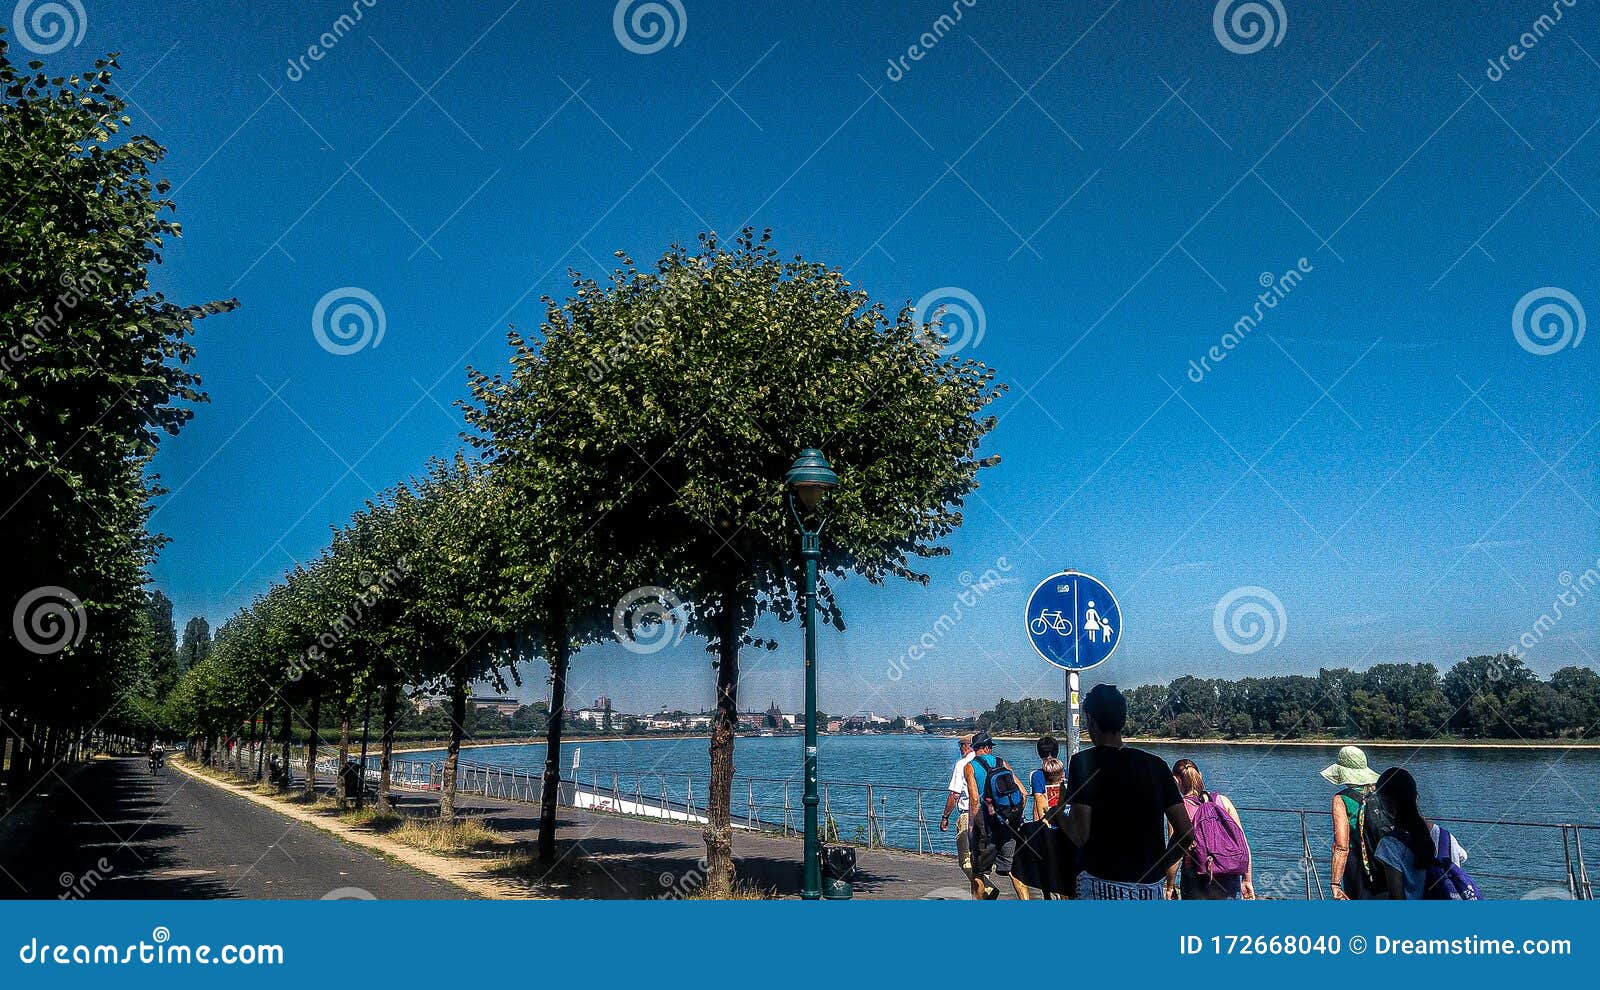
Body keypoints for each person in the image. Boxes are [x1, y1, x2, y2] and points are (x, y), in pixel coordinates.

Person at [1065, 684, 1192, 900]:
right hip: (1148, 888)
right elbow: (1186, 832)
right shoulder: (1156, 765)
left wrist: (1058, 814)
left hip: (1100, 884)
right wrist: (1161, 865)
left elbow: (1080, 835)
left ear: (1090, 720)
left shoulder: (1082, 763)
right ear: (1123, 720)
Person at [1371, 767, 1476, 899]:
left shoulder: (1390, 845)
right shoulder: (1447, 837)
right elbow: (1462, 857)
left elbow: (1395, 898)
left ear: (1387, 803)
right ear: (1416, 798)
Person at [1165, 759, 1254, 900]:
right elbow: (1243, 843)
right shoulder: (1223, 801)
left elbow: (1175, 852)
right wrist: (1247, 880)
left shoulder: (1179, 809)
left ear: (1175, 781)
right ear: (1200, 775)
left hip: (1195, 875)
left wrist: (1170, 886)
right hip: (1229, 873)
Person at [965, 731, 1031, 900]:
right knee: (1014, 871)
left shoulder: (970, 767)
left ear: (975, 748)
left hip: (986, 827)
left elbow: (974, 799)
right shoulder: (1002, 763)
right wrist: (1014, 817)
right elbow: (1023, 793)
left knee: (978, 873)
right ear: (987, 748)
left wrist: (972, 826)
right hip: (1008, 826)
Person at [1322, 745, 1385, 900]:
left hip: (1357, 862)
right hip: (1386, 858)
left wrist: (1335, 884)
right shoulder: (1382, 792)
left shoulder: (1341, 799)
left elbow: (1341, 846)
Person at [938, 734, 987, 899]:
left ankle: (986, 890)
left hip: (968, 815)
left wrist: (945, 816)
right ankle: (983, 891)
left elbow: (954, 795)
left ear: (967, 746)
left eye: (960, 746)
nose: (960, 749)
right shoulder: (990, 761)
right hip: (989, 815)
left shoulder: (962, 764)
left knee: (966, 860)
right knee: (981, 859)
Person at [1030, 736, 1065, 823]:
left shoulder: (1036, 775)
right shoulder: (1066, 772)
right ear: (1057, 751)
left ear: (1039, 753)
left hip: (1048, 821)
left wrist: (1036, 826)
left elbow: (1037, 802)